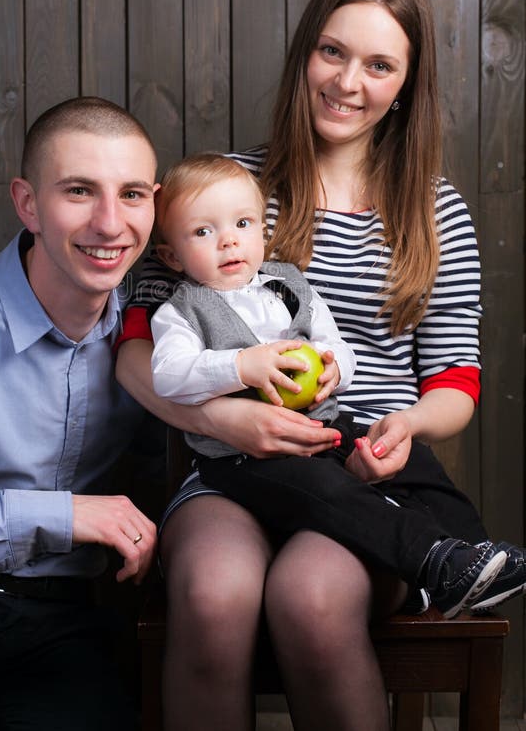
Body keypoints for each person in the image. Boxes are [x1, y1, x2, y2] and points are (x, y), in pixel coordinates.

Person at [116, 0, 526, 731]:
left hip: (368, 473)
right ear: (306, 50)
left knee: (311, 596)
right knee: (214, 591)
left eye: (379, 65)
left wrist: (406, 424)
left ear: (406, 85)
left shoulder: (436, 214)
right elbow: (136, 349)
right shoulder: (223, 186)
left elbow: (455, 383)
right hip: (230, 464)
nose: (347, 82)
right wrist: (214, 418)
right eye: (332, 52)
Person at [146, 151, 511, 619]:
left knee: (414, 462)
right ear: (171, 256)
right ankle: (434, 562)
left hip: (325, 426)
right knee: (326, 486)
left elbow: (333, 343)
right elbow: (166, 374)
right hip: (242, 457)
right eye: (203, 232)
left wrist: (336, 369)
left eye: (242, 224)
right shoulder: (182, 310)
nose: (228, 243)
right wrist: (239, 366)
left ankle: (475, 556)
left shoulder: (291, 283)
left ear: (262, 227)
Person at [0, 96, 159, 731]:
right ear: (27, 203)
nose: (110, 223)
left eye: (133, 194)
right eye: (80, 191)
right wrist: (60, 516)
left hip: (61, 626)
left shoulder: (158, 343)